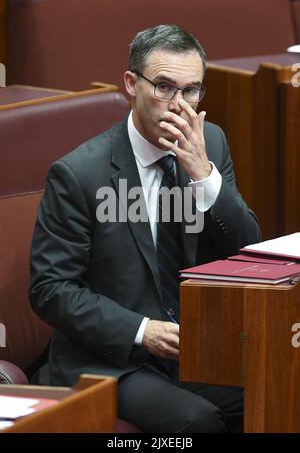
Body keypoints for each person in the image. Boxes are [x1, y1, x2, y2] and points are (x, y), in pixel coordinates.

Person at [29, 24, 261, 432]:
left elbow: (246, 251)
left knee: (280, 383)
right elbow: (50, 289)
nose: (178, 105)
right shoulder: (80, 173)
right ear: (131, 84)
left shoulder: (211, 143)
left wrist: (203, 176)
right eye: (165, 87)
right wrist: (143, 331)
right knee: (196, 422)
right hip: (111, 358)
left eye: (191, 91)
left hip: (191, 349)